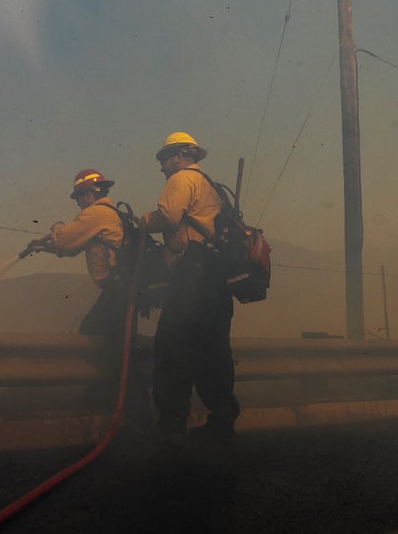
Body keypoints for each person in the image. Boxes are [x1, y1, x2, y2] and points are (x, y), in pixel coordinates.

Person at [21, 168, 151, 425]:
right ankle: (121, 405)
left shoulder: (96, 213)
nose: (78, 203)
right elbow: (69, 249)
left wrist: (57, 228)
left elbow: (65, 242)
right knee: (114, 345)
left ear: (90, 194)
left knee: (109, 344)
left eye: (79, 197)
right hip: (126, 289)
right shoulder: (109, 214)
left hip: (119, 291)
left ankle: (133, 415)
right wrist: (42, 247)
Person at [135, 132, 240, 442]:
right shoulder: (209, 185)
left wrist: (142, 222)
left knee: (171, 345)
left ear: (179, 157)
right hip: (214, 275)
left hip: (192, 272)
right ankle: (222, 420)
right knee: (212, 349)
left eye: (164, 160)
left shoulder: (182, 179)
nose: (163, 167)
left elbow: (168, 216)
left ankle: (171, 422)